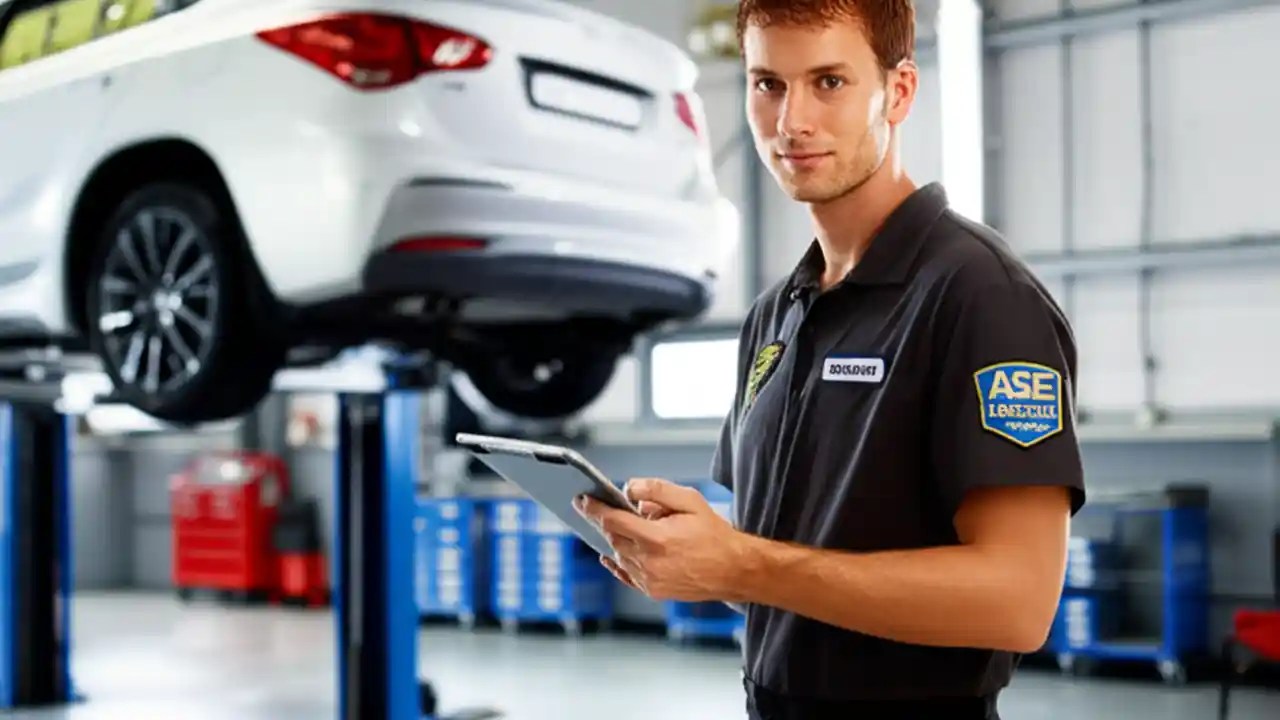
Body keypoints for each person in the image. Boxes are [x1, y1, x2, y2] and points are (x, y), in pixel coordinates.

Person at [574, 1, 1087, 718]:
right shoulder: (776, 314)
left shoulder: (979, 297)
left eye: (830, 82)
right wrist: (702, 555)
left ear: (898, 92)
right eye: (768, 84)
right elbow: (782, 572)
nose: (791, 122)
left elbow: (1018, 602)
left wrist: (745, 562)